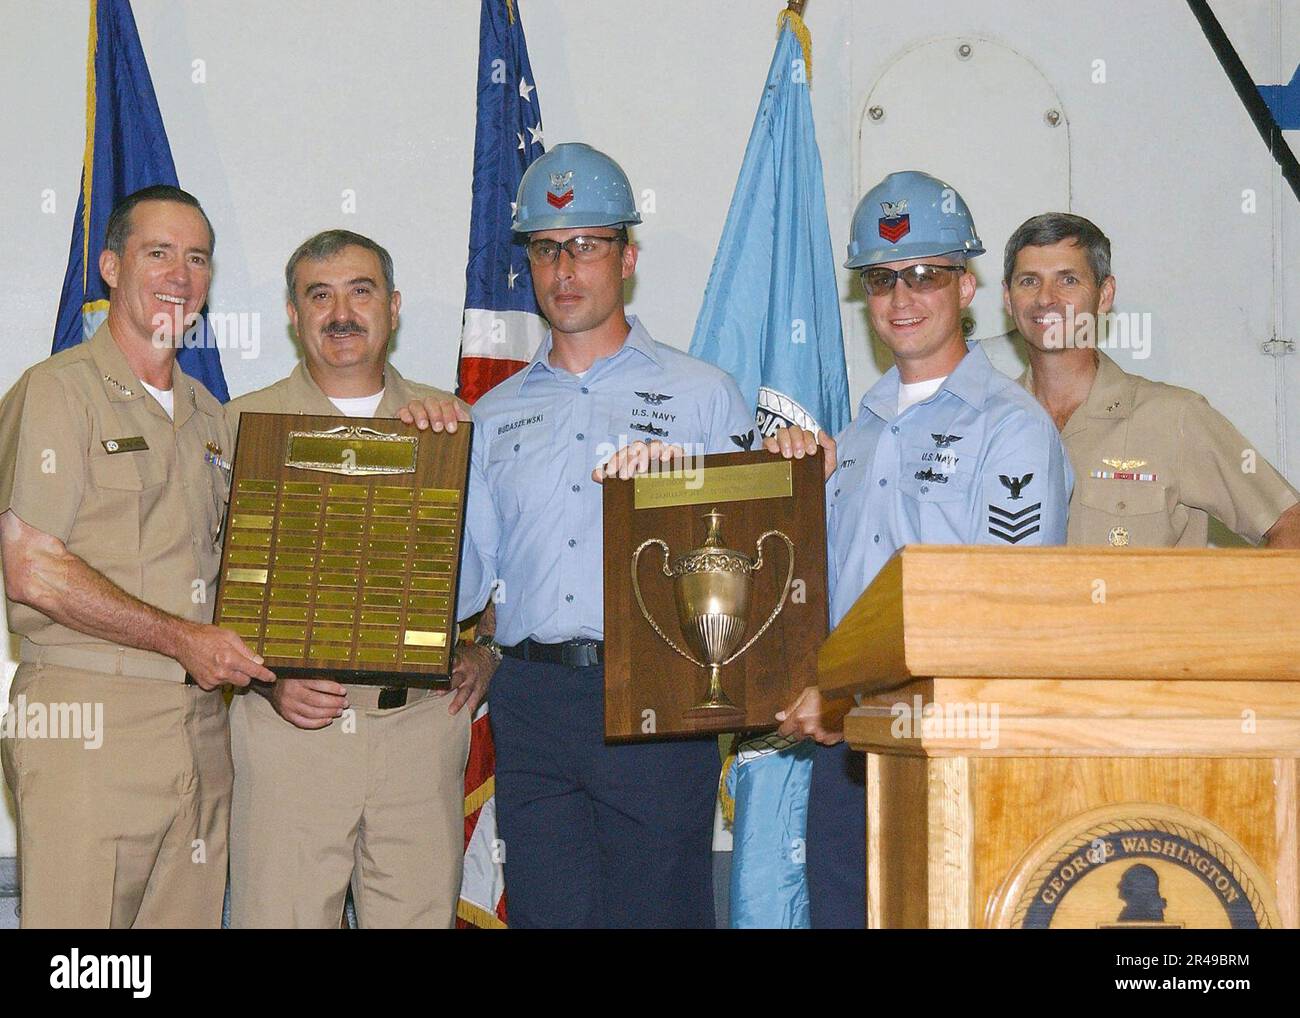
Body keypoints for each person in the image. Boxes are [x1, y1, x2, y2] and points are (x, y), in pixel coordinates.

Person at [406, 142, 754, 928]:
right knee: (546, 915)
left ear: (627, 258)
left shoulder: (703, 394)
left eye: (587, 246)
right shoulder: (491, 415)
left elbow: (750, 563)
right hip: (532, 698)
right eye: (546, 249)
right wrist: (421, 475)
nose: (565, 270)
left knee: (659, 915)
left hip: (660, 694)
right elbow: (465, 584)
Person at [772, 171, 1073, 928]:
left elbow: (1011, 616)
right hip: (845, 756)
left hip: (953, 749)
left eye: (924, 276)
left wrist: (856, 697)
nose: (901, 299)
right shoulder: (857, 432)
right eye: (881, 280)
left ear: (965, 287)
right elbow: (827, 595)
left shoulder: (1012, 427)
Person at [0, 184, 274, 928]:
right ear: (111, 268)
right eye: (159, 253)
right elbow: (33, 570)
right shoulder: (59, 392)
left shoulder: (212, 418)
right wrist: (182, 639)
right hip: (91, 722)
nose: (180, 275)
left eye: (197, 258)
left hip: (200, 731)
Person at [224, 229, 483, 928]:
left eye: (360, 292)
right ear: (292, 313)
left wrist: (485, 650)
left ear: (393, 308)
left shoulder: (450, 422)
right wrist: (264, 677)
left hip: (419, 730)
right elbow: (199, 582)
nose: (342, 313)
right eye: (320, 295)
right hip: (290, 730)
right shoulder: (240, 424)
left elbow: (502, 561)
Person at [1003, 212, 1300, 548]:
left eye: (1068, 280)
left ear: (1104, 295)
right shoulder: (988, 422)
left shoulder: (1175, 418)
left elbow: (1290, 522)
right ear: (1007, 299)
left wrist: (1240, 601)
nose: (1046, 298)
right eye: (1029, 280)